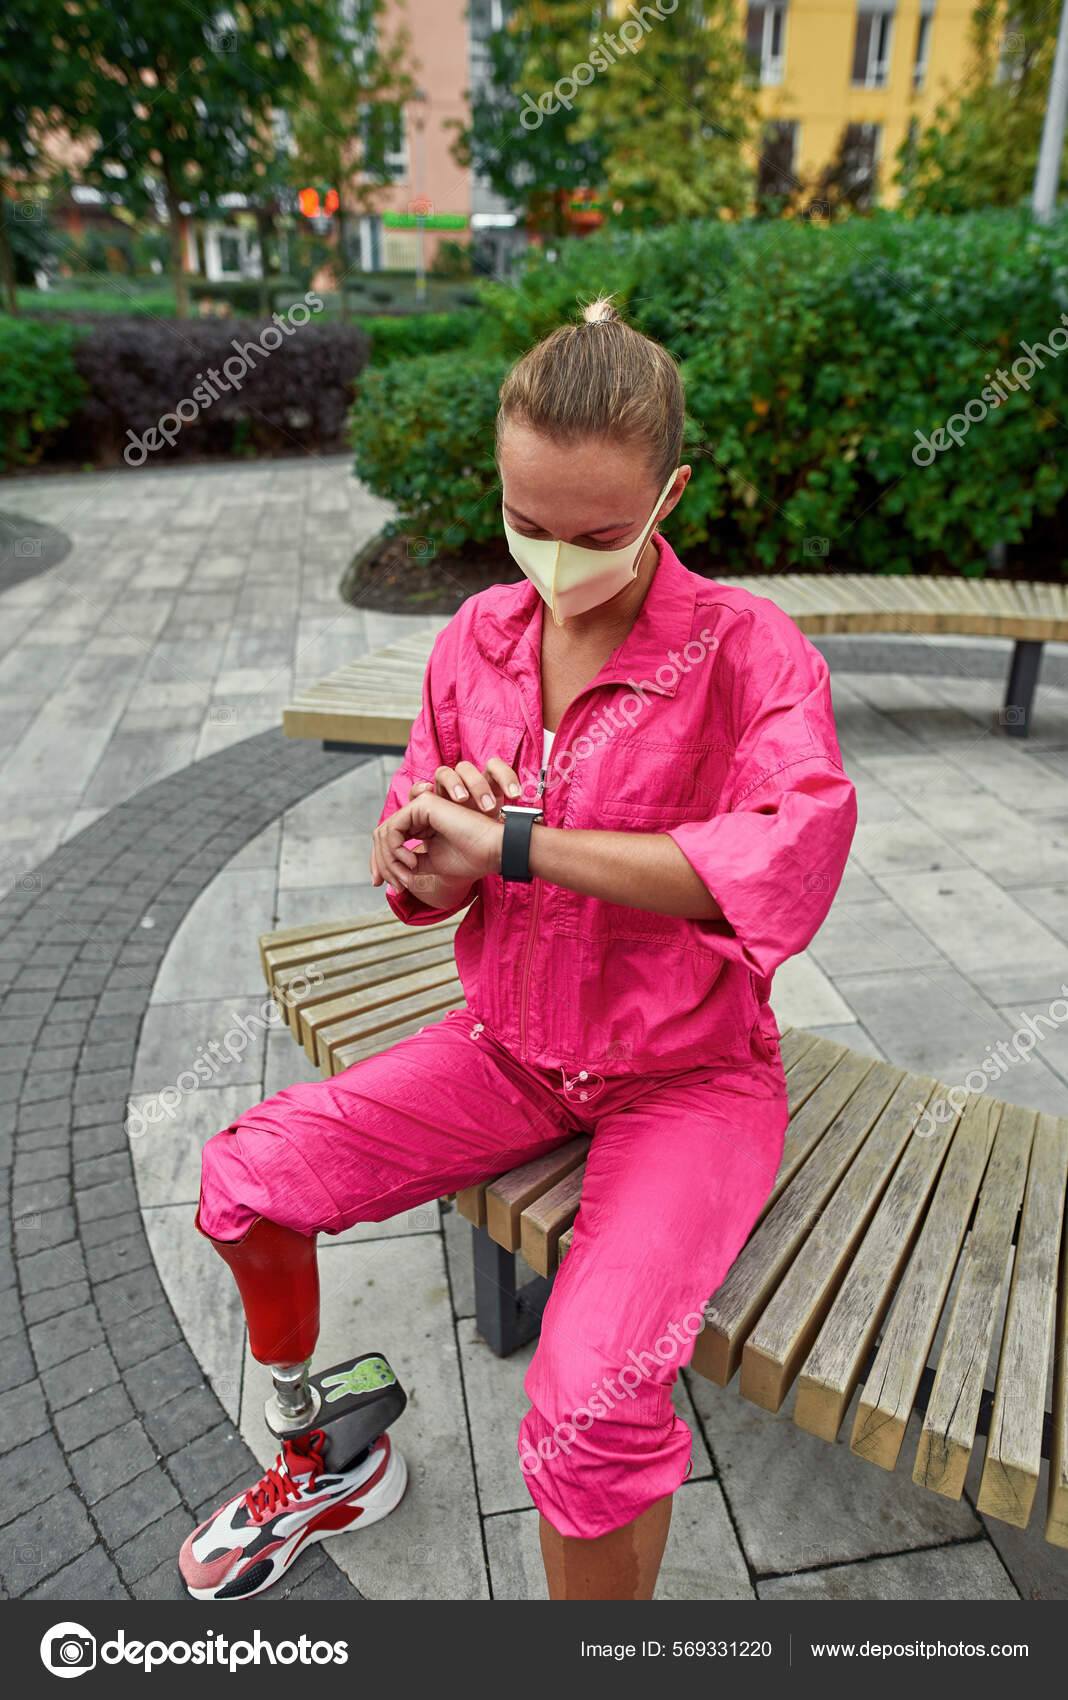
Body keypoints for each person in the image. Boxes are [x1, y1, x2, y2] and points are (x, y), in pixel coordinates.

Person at [179, 296, 857, 1603]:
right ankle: (317, 1448)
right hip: (509, 1050)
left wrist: (524, 842)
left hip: (690, 1077)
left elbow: (789, 855)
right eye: (525, 521)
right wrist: (419, 855)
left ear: (670, 496)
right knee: (245, 1179)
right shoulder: (476, 642)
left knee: (588, 1412)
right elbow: (420, 863)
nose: (555, 562)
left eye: (598, 534)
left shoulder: (745, 653)